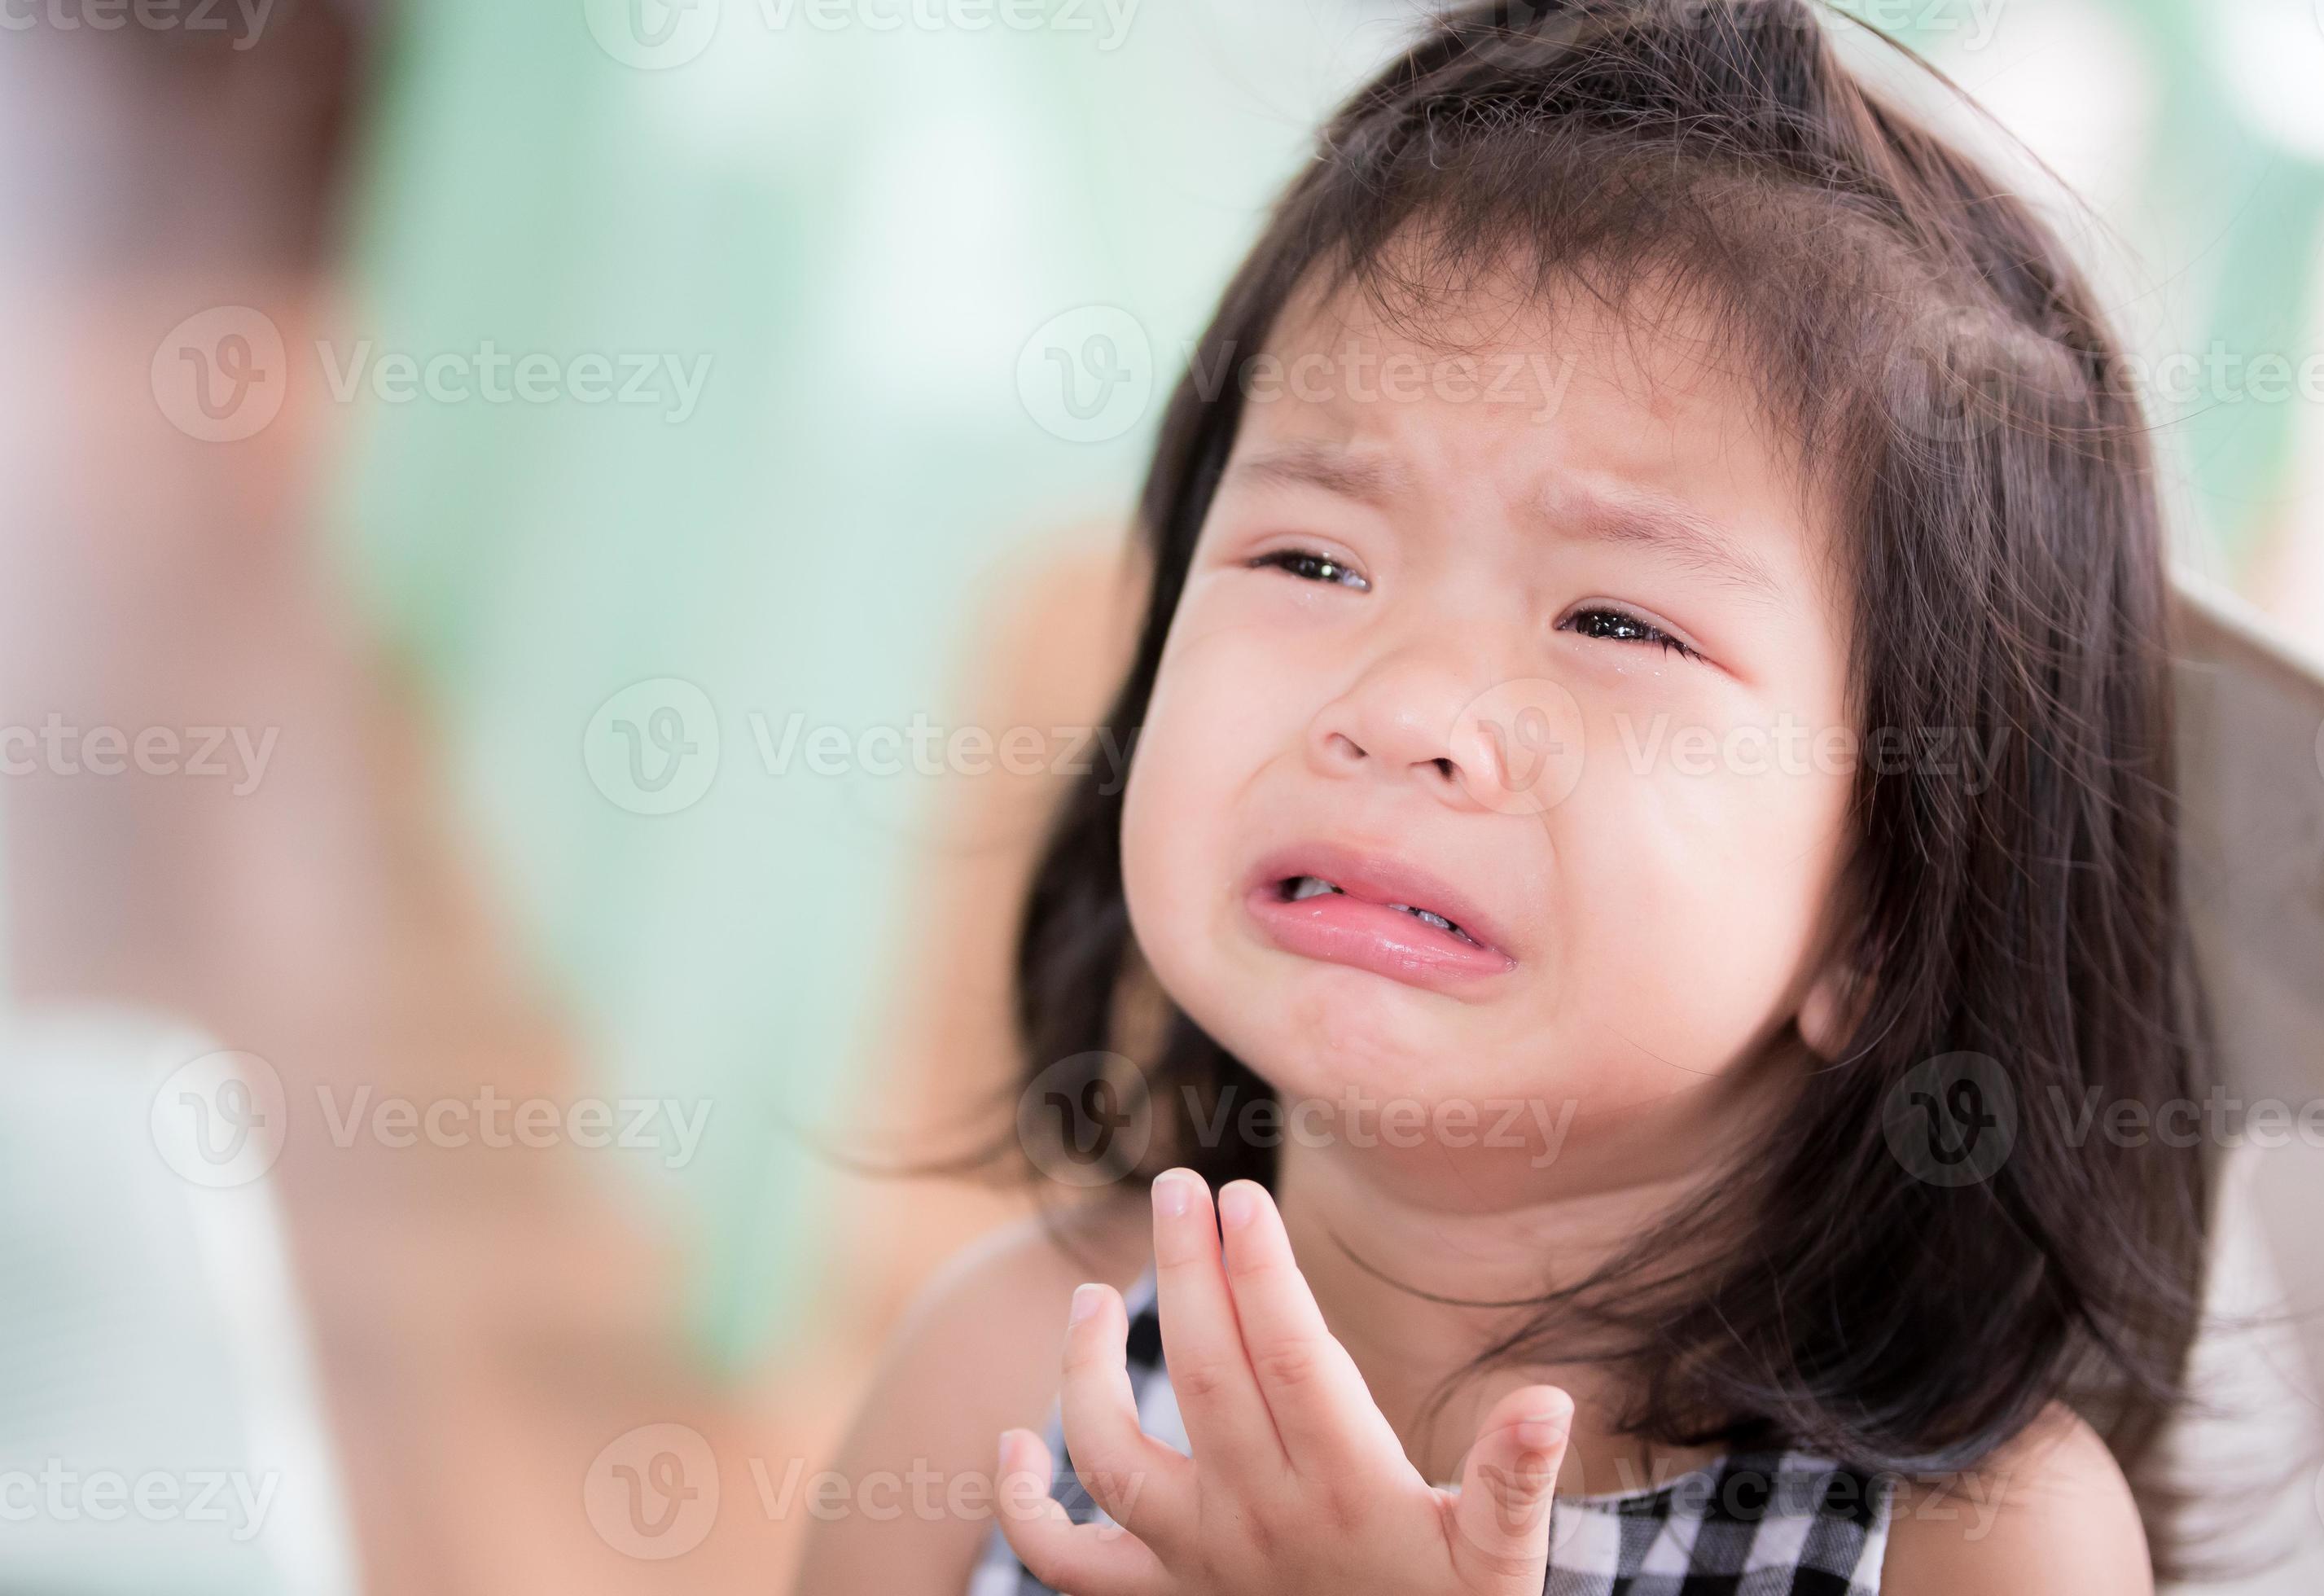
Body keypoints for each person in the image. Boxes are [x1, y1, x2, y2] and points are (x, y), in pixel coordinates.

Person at [800, 2, 2209, 1589]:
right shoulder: (1009, 1367)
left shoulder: (1980, 1543)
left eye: (1614, 621)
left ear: (1883, 904)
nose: (1401, 710)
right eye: (1312, 558)